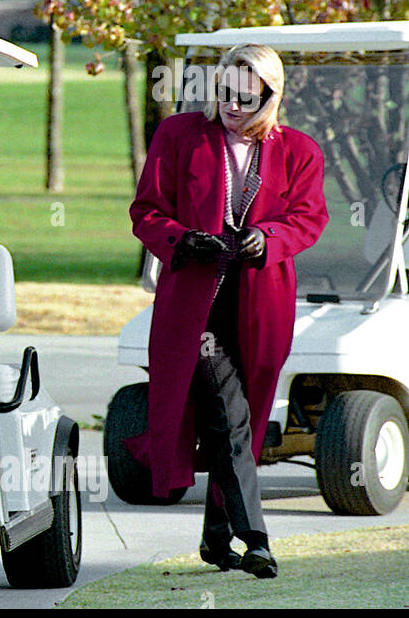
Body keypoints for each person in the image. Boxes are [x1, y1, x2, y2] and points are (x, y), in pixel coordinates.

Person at [128, 43, 328, 579]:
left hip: (261, 306)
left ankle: (217, 540)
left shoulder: (300, 151)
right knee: (229, 414)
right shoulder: (179, 135)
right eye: (225, 94)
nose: (234, 106)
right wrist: (181, 240)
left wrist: (269, 237)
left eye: (247, 97)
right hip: (194, 308)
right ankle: (256, 538)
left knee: (241, 420)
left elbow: (309, 218)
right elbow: (145, 211)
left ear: (269, 95)